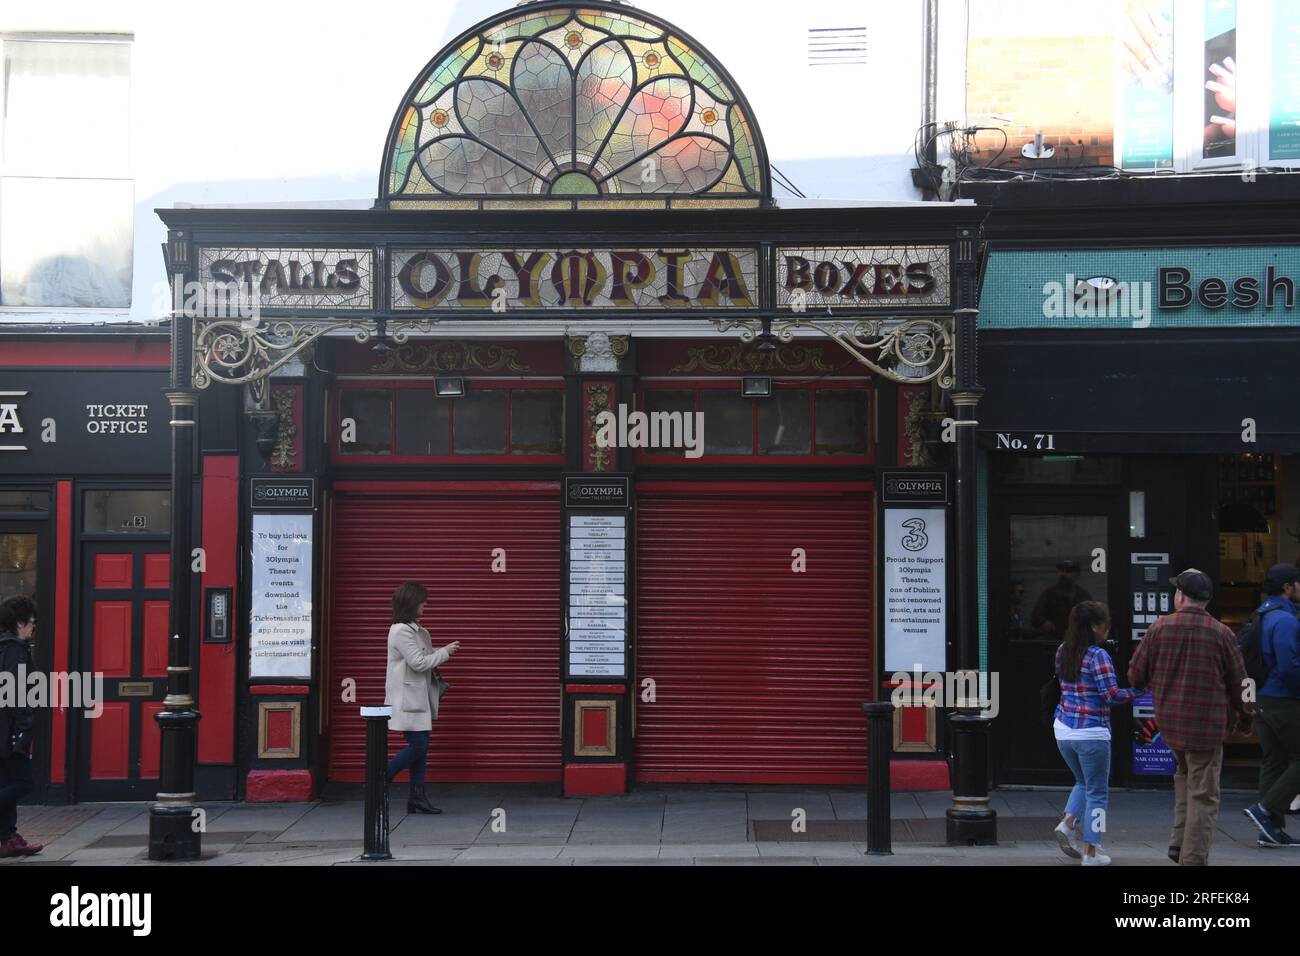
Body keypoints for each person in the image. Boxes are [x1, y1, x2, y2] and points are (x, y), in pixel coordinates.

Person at [1128, 568, 1252, 866]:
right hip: (1206, 729)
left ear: (1180, 596)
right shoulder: (1222, 633)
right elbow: (1241, 683)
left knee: (1184, 781)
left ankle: (1178, 843)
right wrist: (1245, 718)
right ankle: (1193, 858)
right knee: (1204, 794)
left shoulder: (1159, 628)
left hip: (1171, 724)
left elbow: (1135, 676)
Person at [1050, 601, 1139, 866]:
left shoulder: (1062, 651)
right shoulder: (1098, 656)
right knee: (1098, 792)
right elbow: (1111, 695)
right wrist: (1140, 692)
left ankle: (1067, 825)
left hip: (1063, 730)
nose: (1107, 629)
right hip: (1092, 734)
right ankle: (1092, 851)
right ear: (1093, 627)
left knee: (1083, 782)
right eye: (1104, 624)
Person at [384, 582, 459, 815]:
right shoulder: (401, 631)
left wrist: (439, 651)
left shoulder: (414, 629)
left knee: (422, 748)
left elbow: (421, 656)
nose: (425, 604)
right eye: (421, 600)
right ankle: (380, 779)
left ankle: (417, 797)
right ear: (410, 602)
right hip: (408, 699)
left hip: (418, 698)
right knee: (419, 745)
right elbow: (418, 663)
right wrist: (444, 652)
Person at [1242, 563, 1300, 848]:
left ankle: (1271, 831)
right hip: (1283, 698)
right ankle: (1264, 810)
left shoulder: (1261, 614)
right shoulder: (1287, 621)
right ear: (1288, 587)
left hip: (1262, 697)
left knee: (1274, 760)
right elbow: (1290, 667)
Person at [0, 596, 43, 857]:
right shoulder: (16, 649)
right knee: (24, 782)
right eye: (31, 623)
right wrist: (25, 725)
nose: (33, 628)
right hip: (10, 729)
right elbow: (14, 692)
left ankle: (8, 838)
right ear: (19, 623)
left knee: (7, 781)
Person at [1031, 560, 1093, 637]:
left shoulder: (1083, 596)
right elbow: (1035, 616)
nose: (1063, 574)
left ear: (1077, 574)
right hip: (1054, 641)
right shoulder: (1049, 594)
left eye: (1068, 571)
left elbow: (1092, 619)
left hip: (1077, 641)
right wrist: (1044, 623)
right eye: (1061, 571)